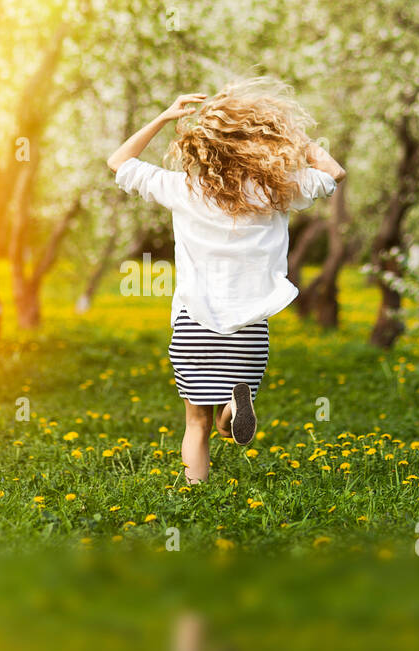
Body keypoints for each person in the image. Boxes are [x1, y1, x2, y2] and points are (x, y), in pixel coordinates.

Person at [107, 77, 345, 483]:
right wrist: (290, 138)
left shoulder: (182, 189)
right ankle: (235, 407)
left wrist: (164, 116)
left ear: (202, 147)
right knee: (225, 423)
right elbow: (334, 172)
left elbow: (119, 161)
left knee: (196, 424)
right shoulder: (276, 190)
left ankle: (195, 495)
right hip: (249, 325)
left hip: (194, 321)